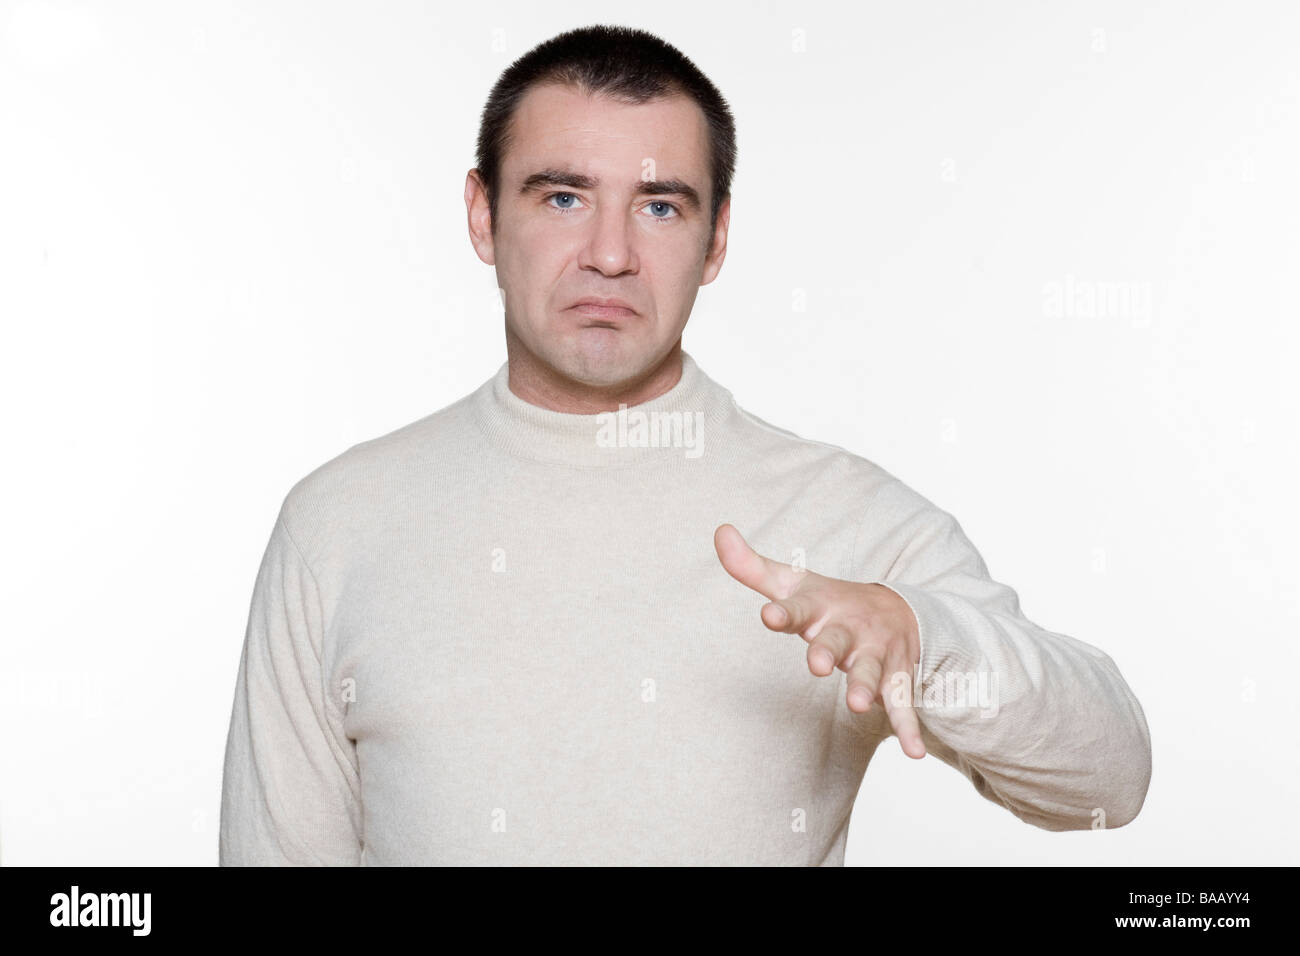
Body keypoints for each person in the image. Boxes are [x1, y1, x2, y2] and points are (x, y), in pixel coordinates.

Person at [219, 23, 1151, 866]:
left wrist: (922, 638)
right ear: (482, 216)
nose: (612, 254)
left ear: (716, 241)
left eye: (661, 206)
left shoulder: (840, 517)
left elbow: (1111, 778)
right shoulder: (337, 525)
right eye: (562, 198)